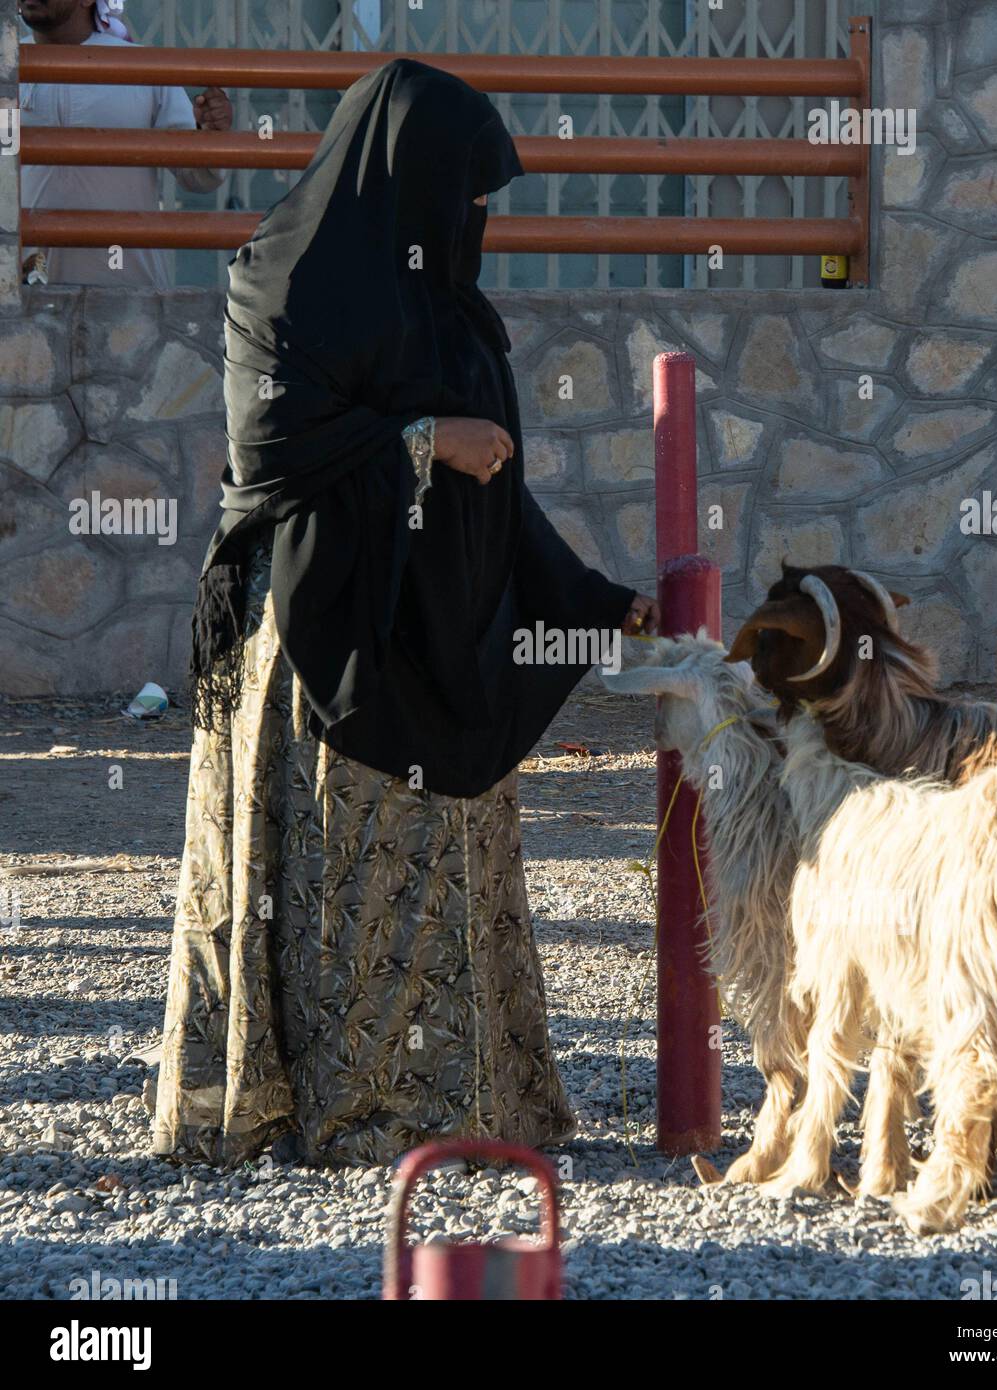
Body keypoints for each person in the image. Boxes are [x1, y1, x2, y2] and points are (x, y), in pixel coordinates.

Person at [152, 58, 659, 1167]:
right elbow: (275, 457)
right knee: (336, 887)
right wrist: (426, 442)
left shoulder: (452, 316)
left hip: (438, 640)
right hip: (318, 640)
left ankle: (455, 1104)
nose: (477, 218)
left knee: (435, 885)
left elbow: (501, 497)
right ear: (411, 177)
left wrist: (598, 603)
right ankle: (333, 1107)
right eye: (467, 194)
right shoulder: (280, 285)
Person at [18, 0, 233, 288]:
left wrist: (210, 134)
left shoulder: (144, 69)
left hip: (127, 289)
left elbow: (198, 177)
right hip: (19, 293)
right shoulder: (6, 64)